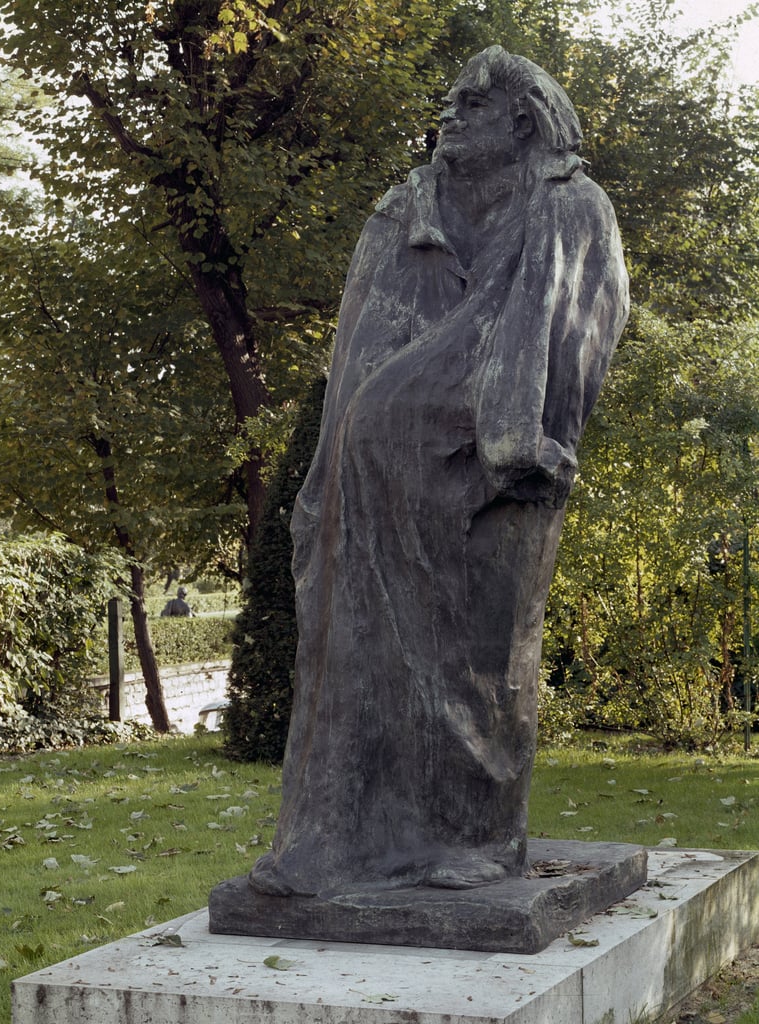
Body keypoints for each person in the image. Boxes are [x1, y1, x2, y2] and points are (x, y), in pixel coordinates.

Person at [249, 46, 629, 898]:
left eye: (469, 104)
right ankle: (335, 843)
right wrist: (341, 468)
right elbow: (357, 349)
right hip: (377, 485)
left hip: (498, 484)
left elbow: (576, 337)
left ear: (521, 119)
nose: (448, 115)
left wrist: (506, 434)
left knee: (480, 659)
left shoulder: (572, 211)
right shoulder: (401, 208)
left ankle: (472, 840)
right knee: (358, 654)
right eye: (448, 103)